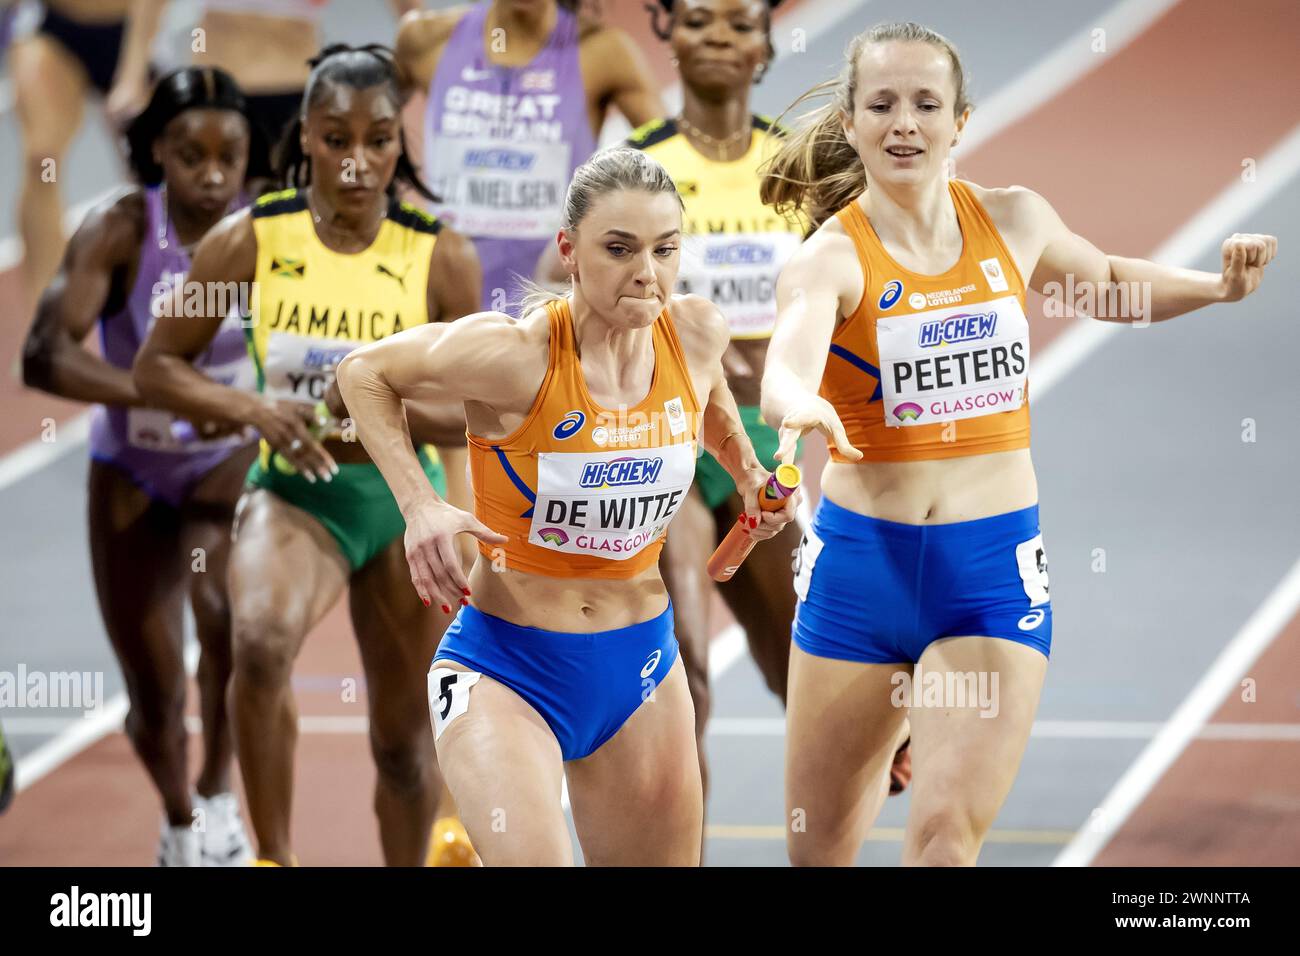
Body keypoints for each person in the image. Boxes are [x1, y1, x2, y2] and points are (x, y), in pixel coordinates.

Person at [760, 20, 1278, 866]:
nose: (904, 124)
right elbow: (787, 364)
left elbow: (1107, 283)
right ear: (850, 124)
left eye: (926, 104)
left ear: (959, 121)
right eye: (882, 104)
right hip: (860, 576)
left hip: (988, 578)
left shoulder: (1013, 221)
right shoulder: (828, 261)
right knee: (818, 852)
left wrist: (1215, 286)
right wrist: (799, 405)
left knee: (942, 842)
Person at [335, 146, 800, 865]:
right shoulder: (514, 356)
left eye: (664, 249)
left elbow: (706, 404)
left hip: (641, 667)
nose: (647, 273)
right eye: (619, 249)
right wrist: (420, 504)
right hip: (506, 671)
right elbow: (362, 373)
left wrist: (745, 471)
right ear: (569, 251)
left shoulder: (696, 330)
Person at [133, 45, 483, 866]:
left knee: (401, 745)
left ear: (402, 144)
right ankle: (273, 858)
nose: (357, 163)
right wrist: (254, 408)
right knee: (256, 640)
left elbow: (481, 417)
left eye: (379, 140)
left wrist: (365, 412)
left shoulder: (441, 257)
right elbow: (157, 365)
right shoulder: (250, 239)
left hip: (401, 505)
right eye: (334, 140)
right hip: (295, 495)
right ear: (304, 139)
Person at [626, 0, 912, 813]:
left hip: (772, 445)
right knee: (677, 662)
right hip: (673, 438)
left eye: (738, 22)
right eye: (699, 19)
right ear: (668, 36)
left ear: (765, 44)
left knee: (813, 670)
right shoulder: (636, 170)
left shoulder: (806, 167)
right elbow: (579, 287)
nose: (718, 35)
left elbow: (870, 287)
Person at [21, 66, 261, 866]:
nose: (212, 173)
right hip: (131, 471)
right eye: (191, 153)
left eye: (229, 154)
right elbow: (44, 354)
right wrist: (159, 389)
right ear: (158, 149)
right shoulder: (122, 229)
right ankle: (179, 819)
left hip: (225, 466)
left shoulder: (266, 232)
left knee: (222, 617)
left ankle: (221, 799)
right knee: (155, 698)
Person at [396, 0, 664, 314]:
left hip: (548, 308)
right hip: (439, 308)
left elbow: (673, 164)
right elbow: (360, 128)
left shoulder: (602, 51)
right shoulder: (425, 38)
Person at [108, 1, 423, 161]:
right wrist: (131, 77)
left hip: (292, 96)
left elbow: (411, 14)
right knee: (207, 223)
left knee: (290, 221)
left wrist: (412, 70)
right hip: (212, 91)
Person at [8, 0, 134, 316]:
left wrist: (134, 69)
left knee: (158, 173)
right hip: (56, 27)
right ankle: (47, 326)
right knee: (43, 161)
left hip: (137, 30)